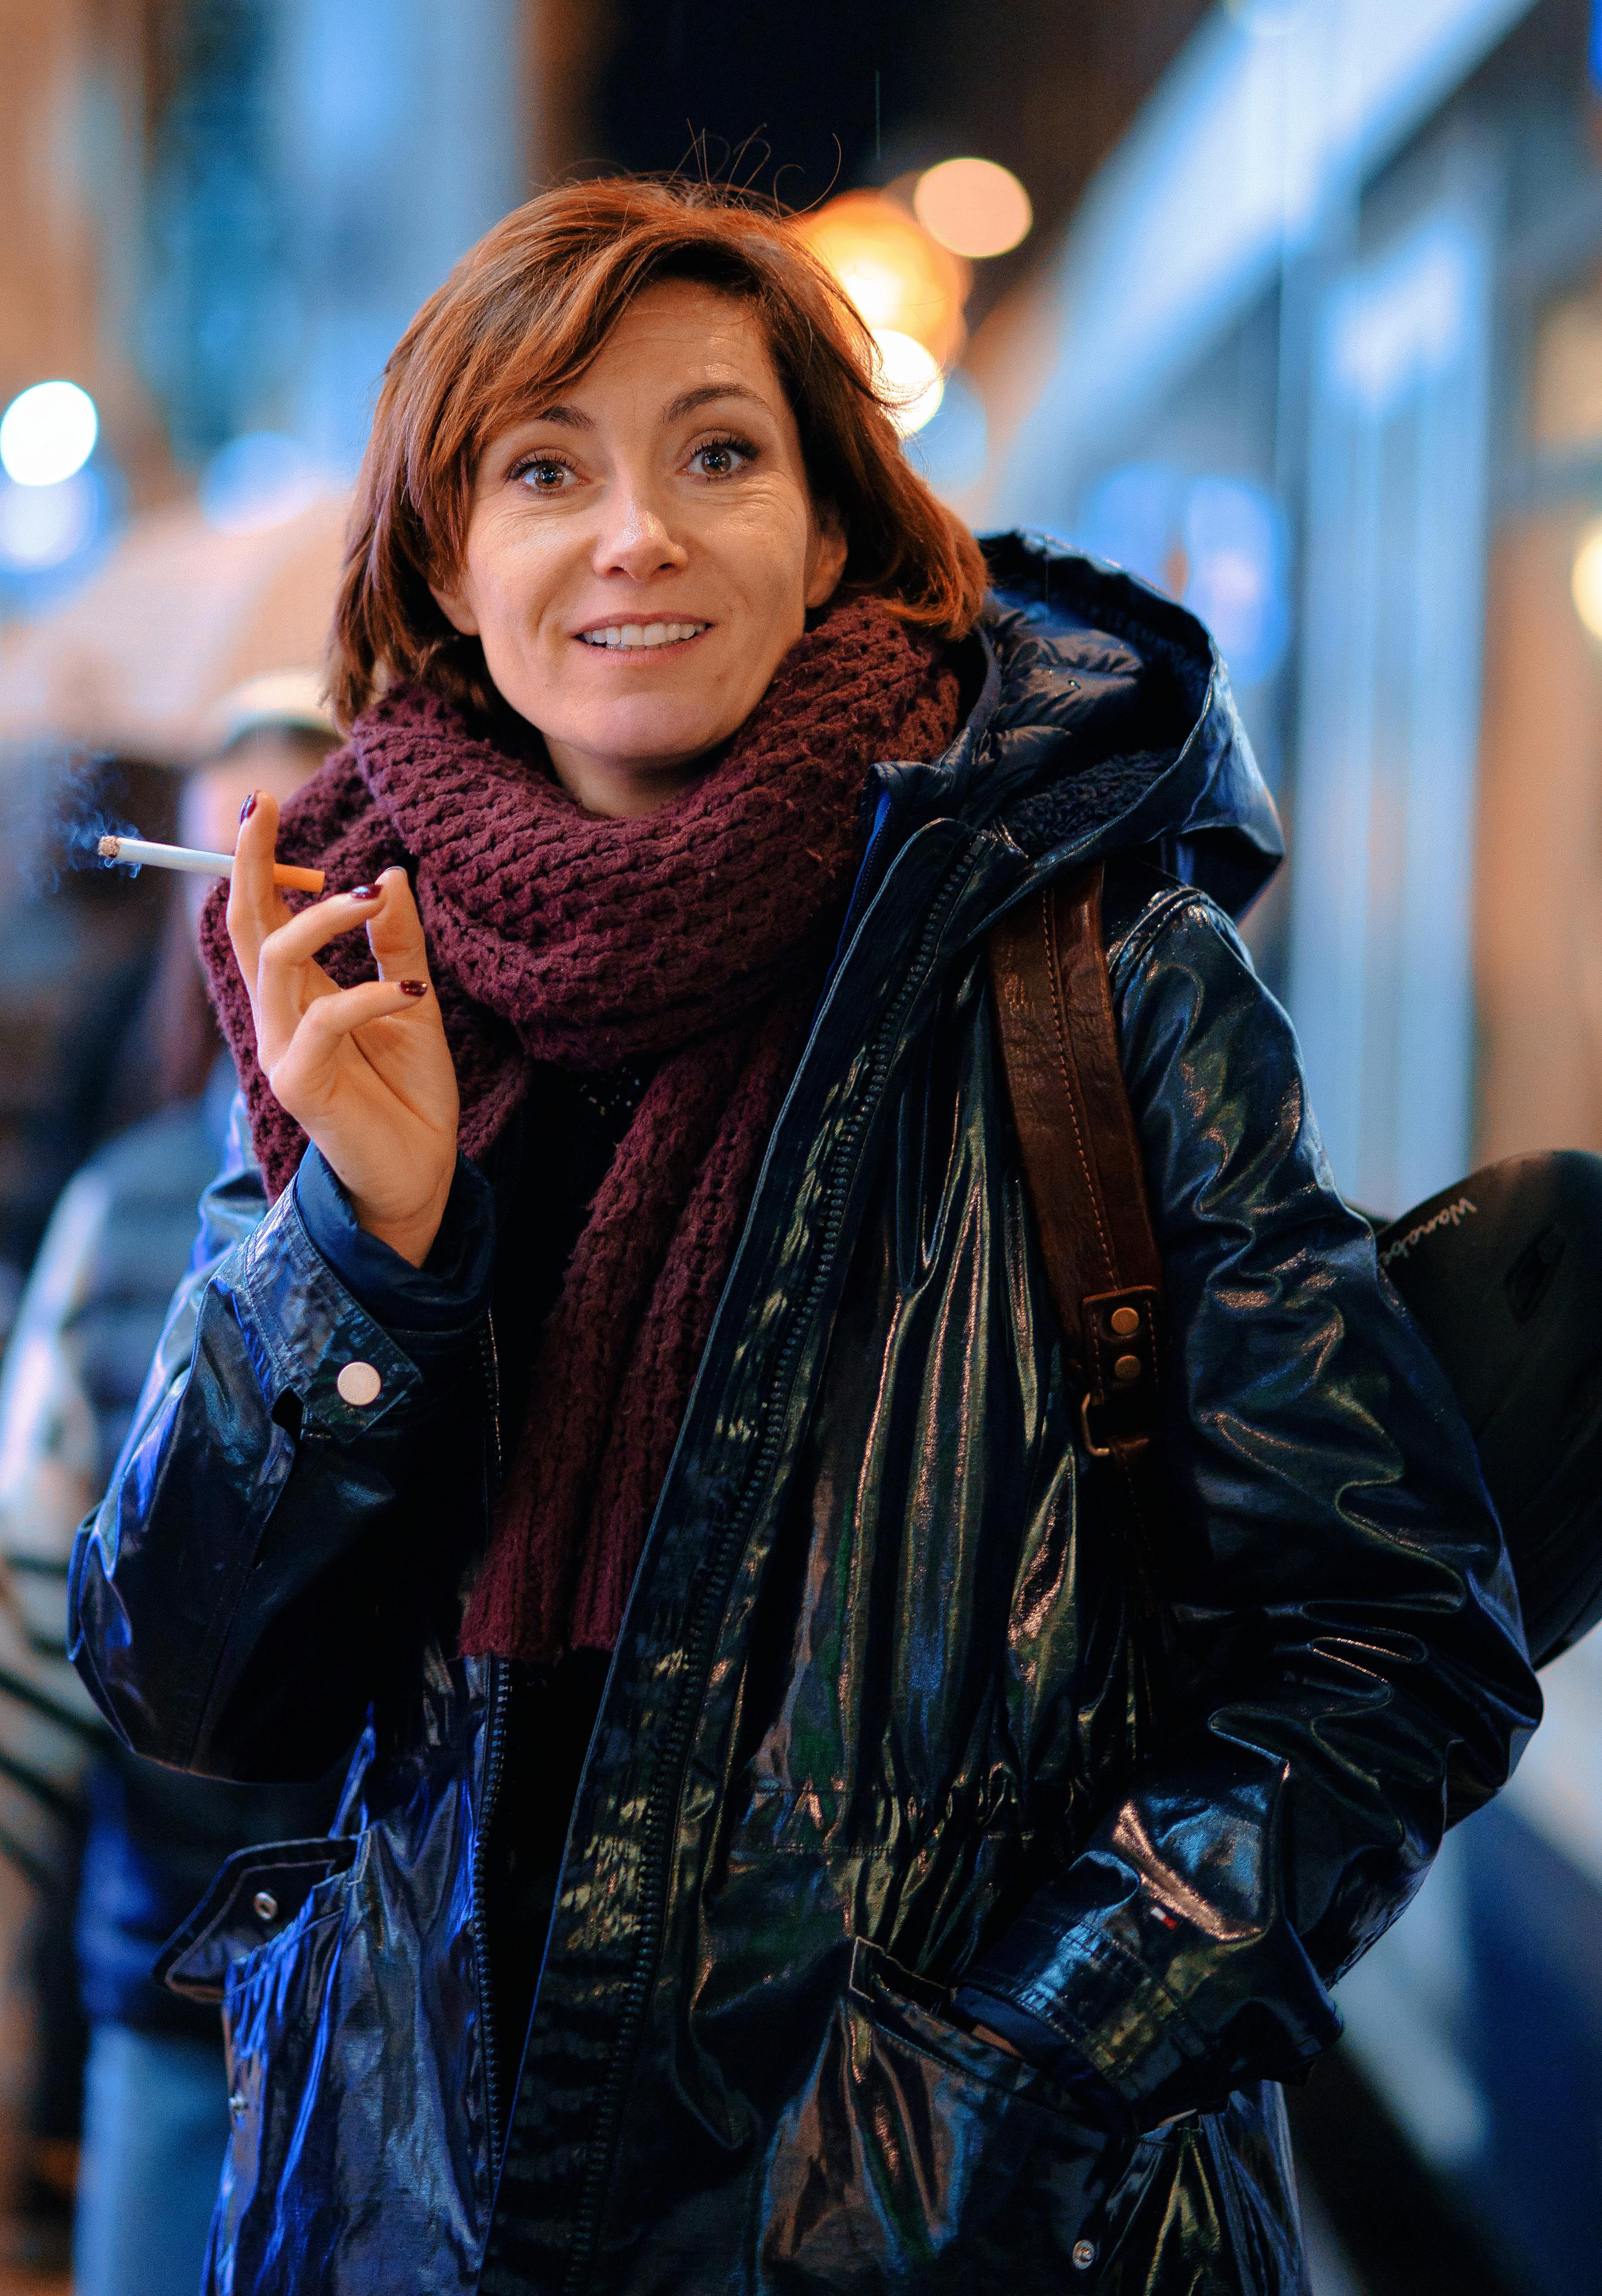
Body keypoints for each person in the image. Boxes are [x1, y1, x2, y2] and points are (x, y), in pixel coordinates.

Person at [68, 179, 1538, 2295]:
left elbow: (1391, 1641)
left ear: (830, 525)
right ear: (448, 562)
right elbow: (190, 1677)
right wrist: (361, 1257)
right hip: (416, 2223)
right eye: (545, 471)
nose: (633, 536)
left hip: (947, 2238)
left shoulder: (1089, 974)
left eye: (717, 454)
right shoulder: (358, 978)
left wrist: (990, 2107)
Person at [0, 684, 340, 2296]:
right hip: (162, 1961)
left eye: (290, 855)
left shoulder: (471, 1189)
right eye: (211, 865)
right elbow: (28, 1625)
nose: (242, 917)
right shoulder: (126, 1206)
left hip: (389, 1980)